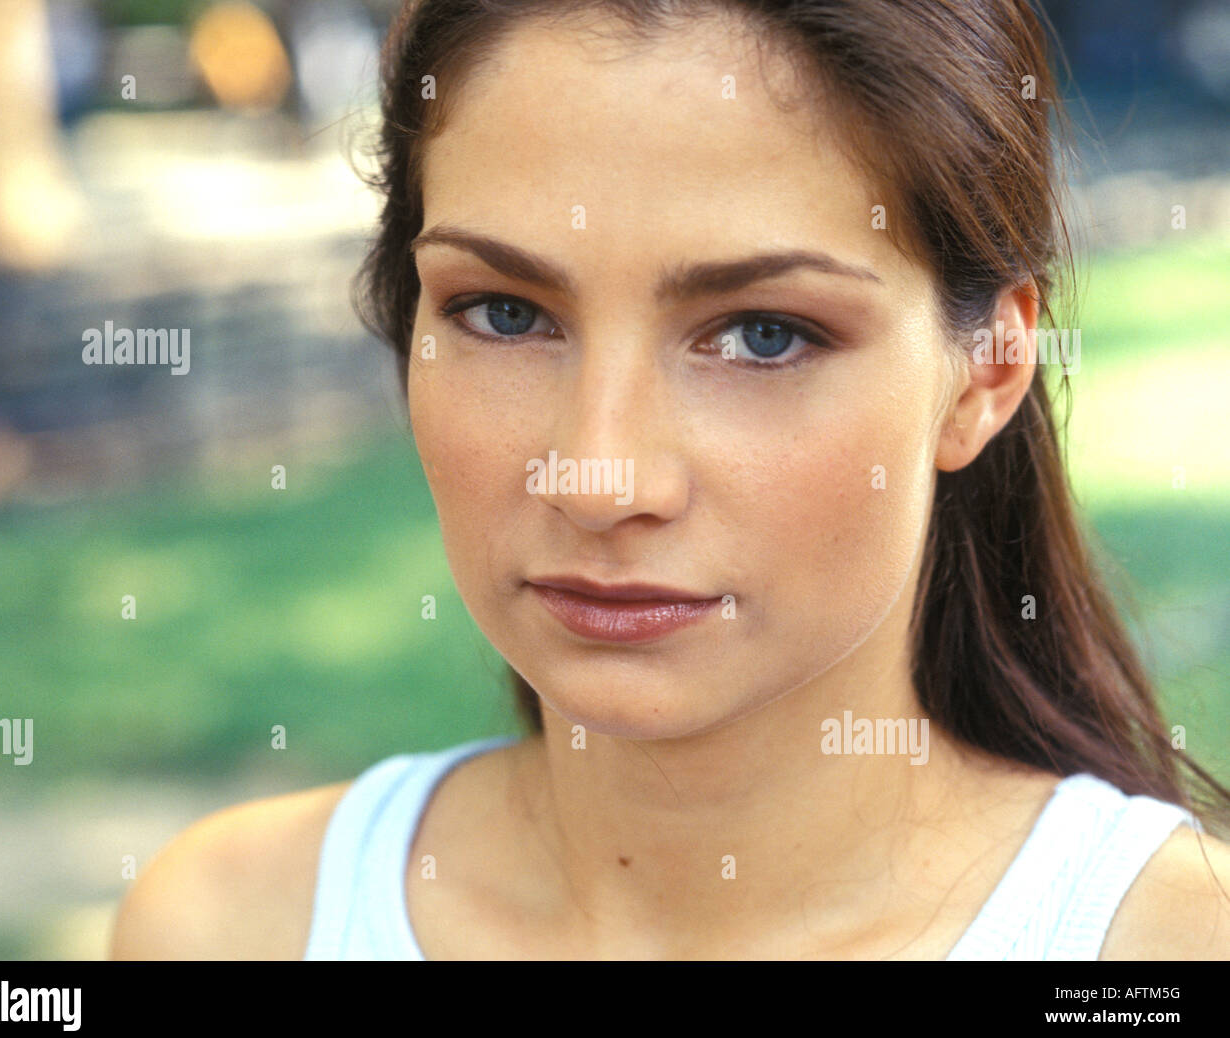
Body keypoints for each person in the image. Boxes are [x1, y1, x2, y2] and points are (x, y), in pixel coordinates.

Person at [110, 0, 1230, 960]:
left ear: (983, 371)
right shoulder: (229, 927)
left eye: (761, 334)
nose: (599, 477)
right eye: (504, 313)